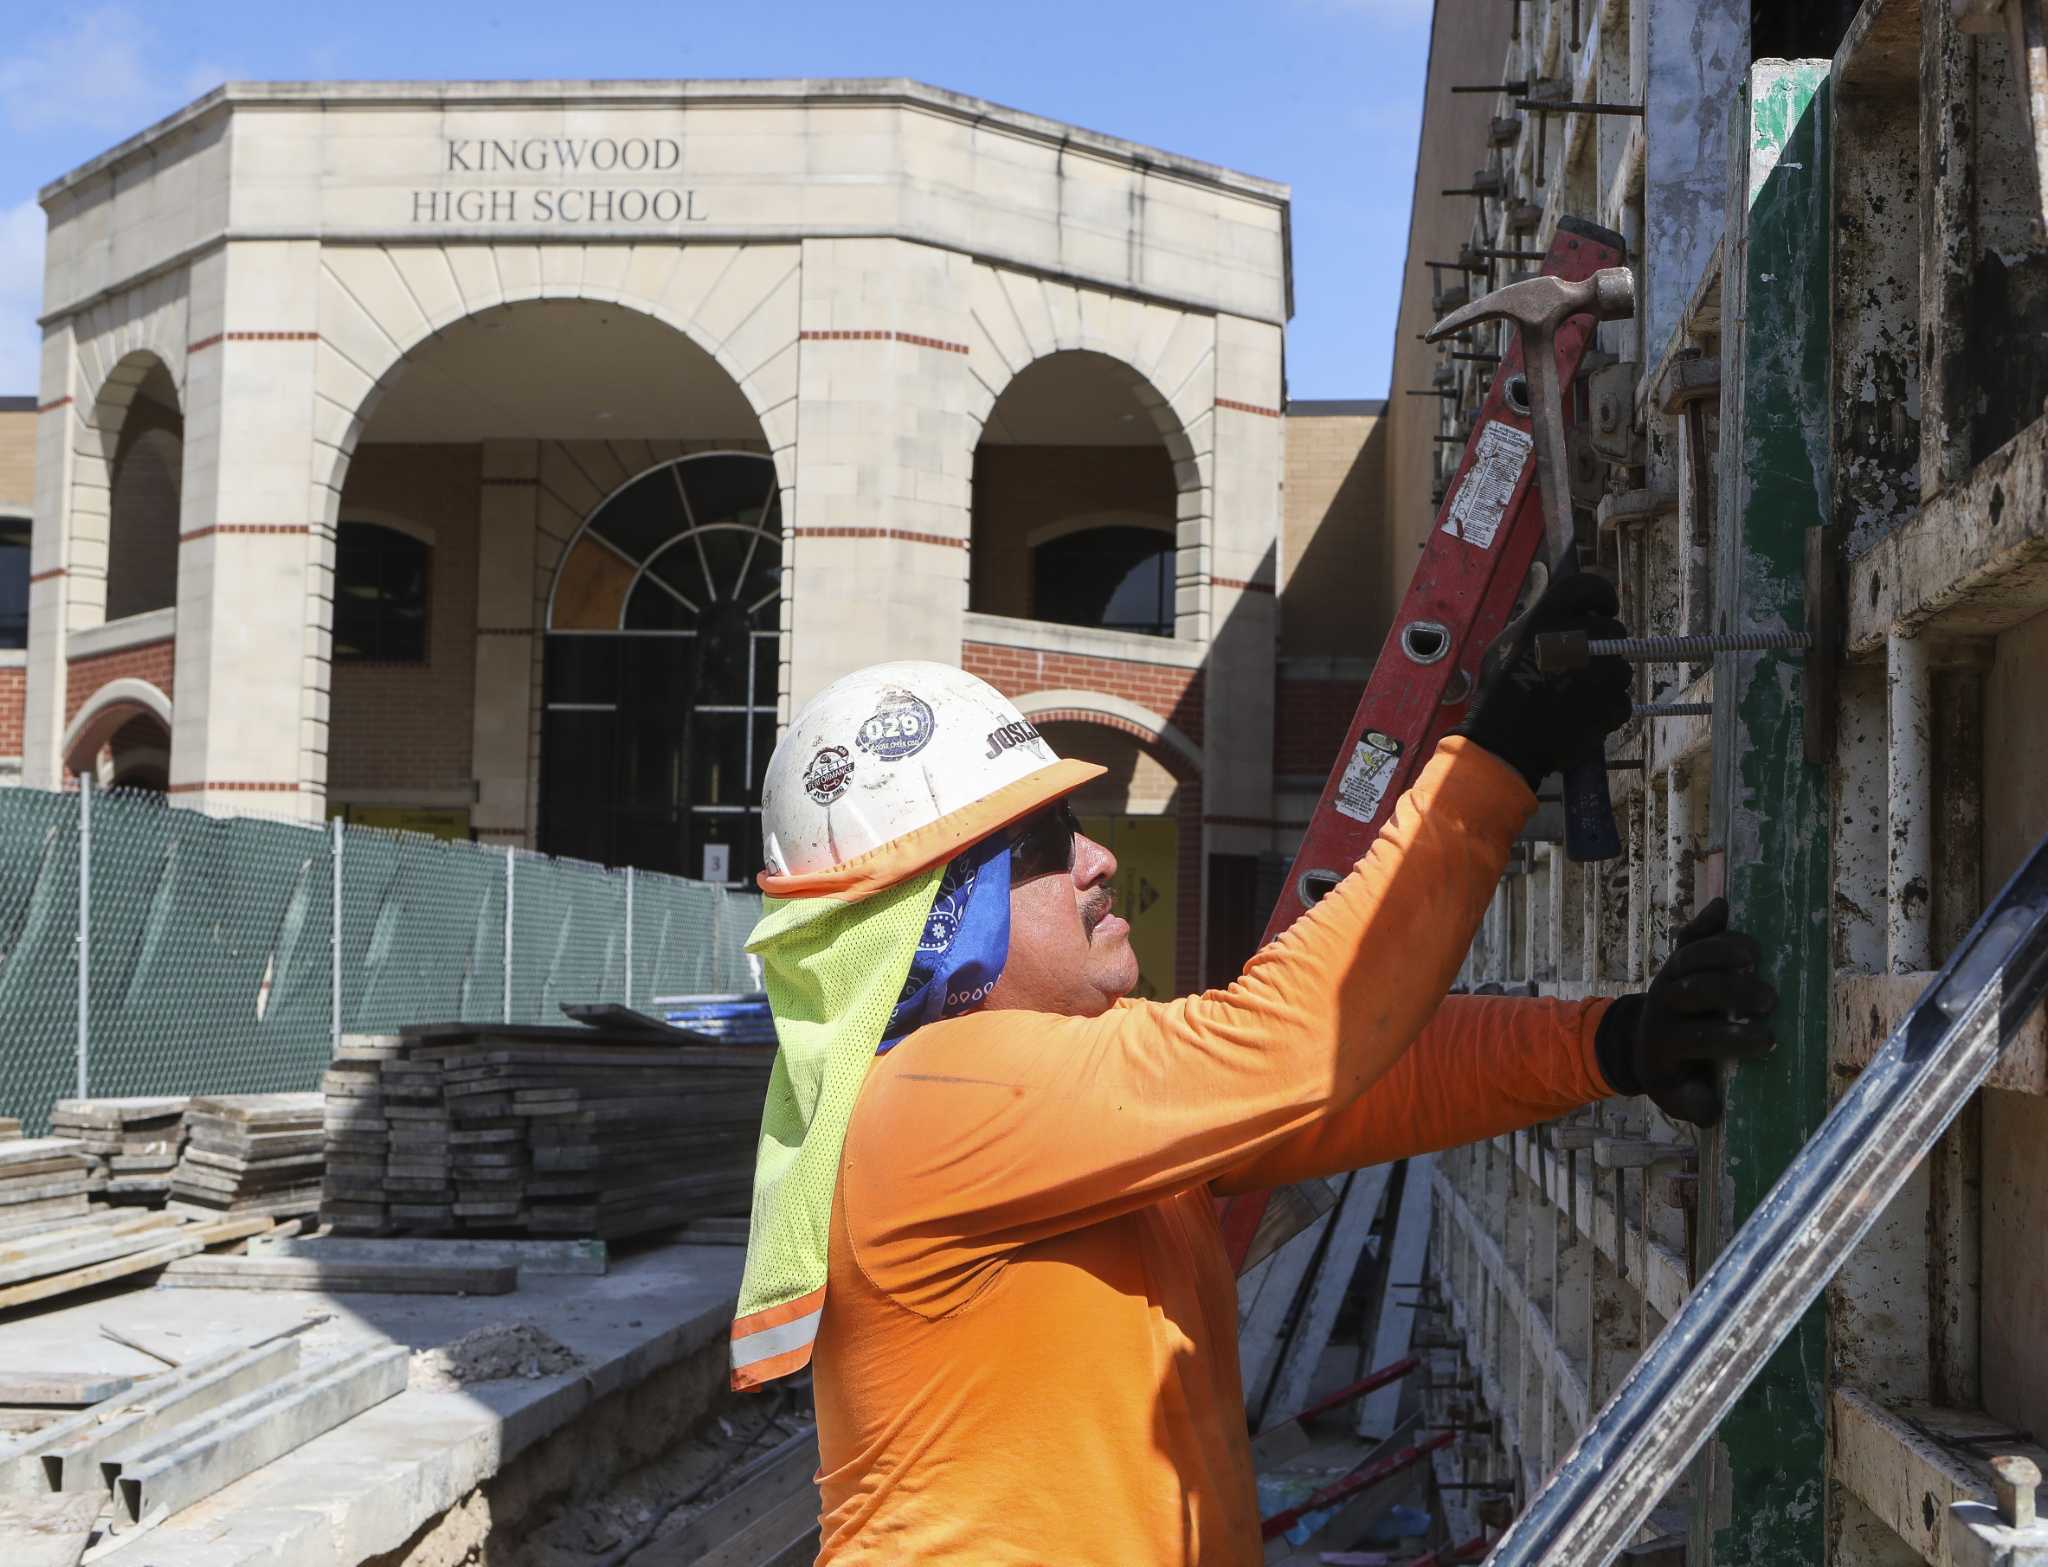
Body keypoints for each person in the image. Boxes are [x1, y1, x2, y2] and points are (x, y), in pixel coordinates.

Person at [729, 574, 1776, 1565]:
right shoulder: (936, 1097)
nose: (1097, 859)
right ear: (940, 917)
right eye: (1046, 843)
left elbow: (1361, 1079)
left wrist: (1607, 1041)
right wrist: (1492, 758)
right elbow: (1289, 1042)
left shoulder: (1042, 1100)